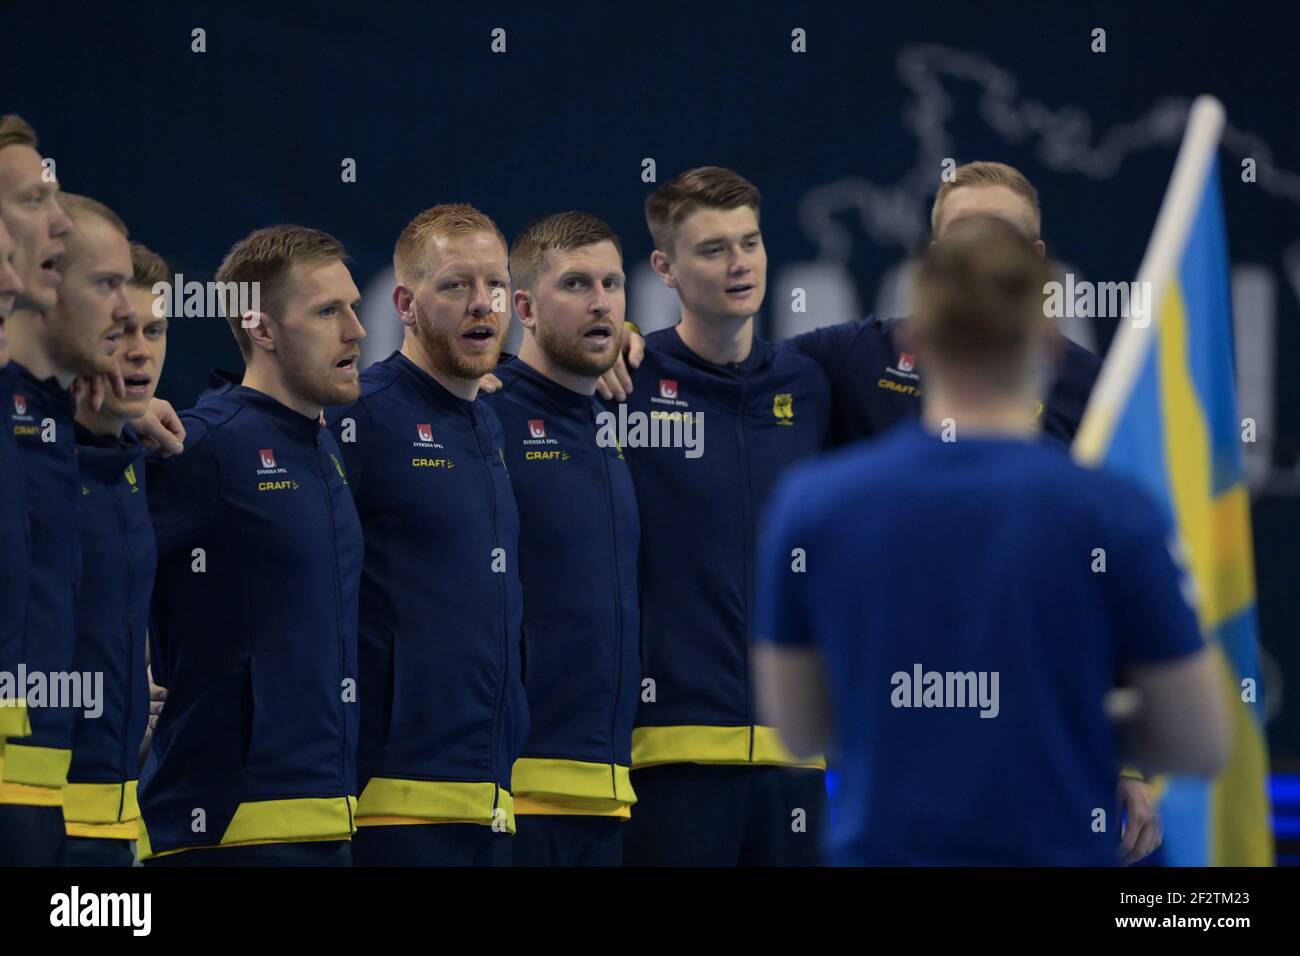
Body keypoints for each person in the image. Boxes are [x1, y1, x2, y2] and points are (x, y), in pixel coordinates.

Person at [754, 221, 1230, 865]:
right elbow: (1198, 740)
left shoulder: (815, 506)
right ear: (1052, 345)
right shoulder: (1114, 513)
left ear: (912, 340)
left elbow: (798, 727)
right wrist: (1064, 718)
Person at [616, 167, 831, 866]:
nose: (740, 263)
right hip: (668, 759)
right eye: (713, 249)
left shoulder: (809, 383)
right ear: (665, 268)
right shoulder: (624, 380)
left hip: (796, 759)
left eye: (751, 242)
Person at [140, 225, 364, 866]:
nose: (356, 330)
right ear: (261, 328)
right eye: (327, 312)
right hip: (226, 829)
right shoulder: (200, 443)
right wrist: (117, 678)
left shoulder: (325, 445)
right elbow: (74, 555)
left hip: (327, 818)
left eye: (352, 306)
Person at [326, 204, 527, 867]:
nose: (482, 303)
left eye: (495, 284)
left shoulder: (489, 419)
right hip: (390, 802)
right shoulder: (359, 415)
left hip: (490, 802)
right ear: (405, 304)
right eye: (455, 285)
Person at [483, 212, 641, 866]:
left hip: (606, 791)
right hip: (513, 793)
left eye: (612, 284)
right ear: (523, 308)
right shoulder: (481, 412)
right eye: (576, 284)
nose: (601, 302)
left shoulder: (618, 414)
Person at [63, 236, 170, 866]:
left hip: (117, 822)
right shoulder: (28, 458)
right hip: (32, 815)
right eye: (119, 330)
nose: (140, 350)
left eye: (154, 331)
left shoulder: (135, 464)